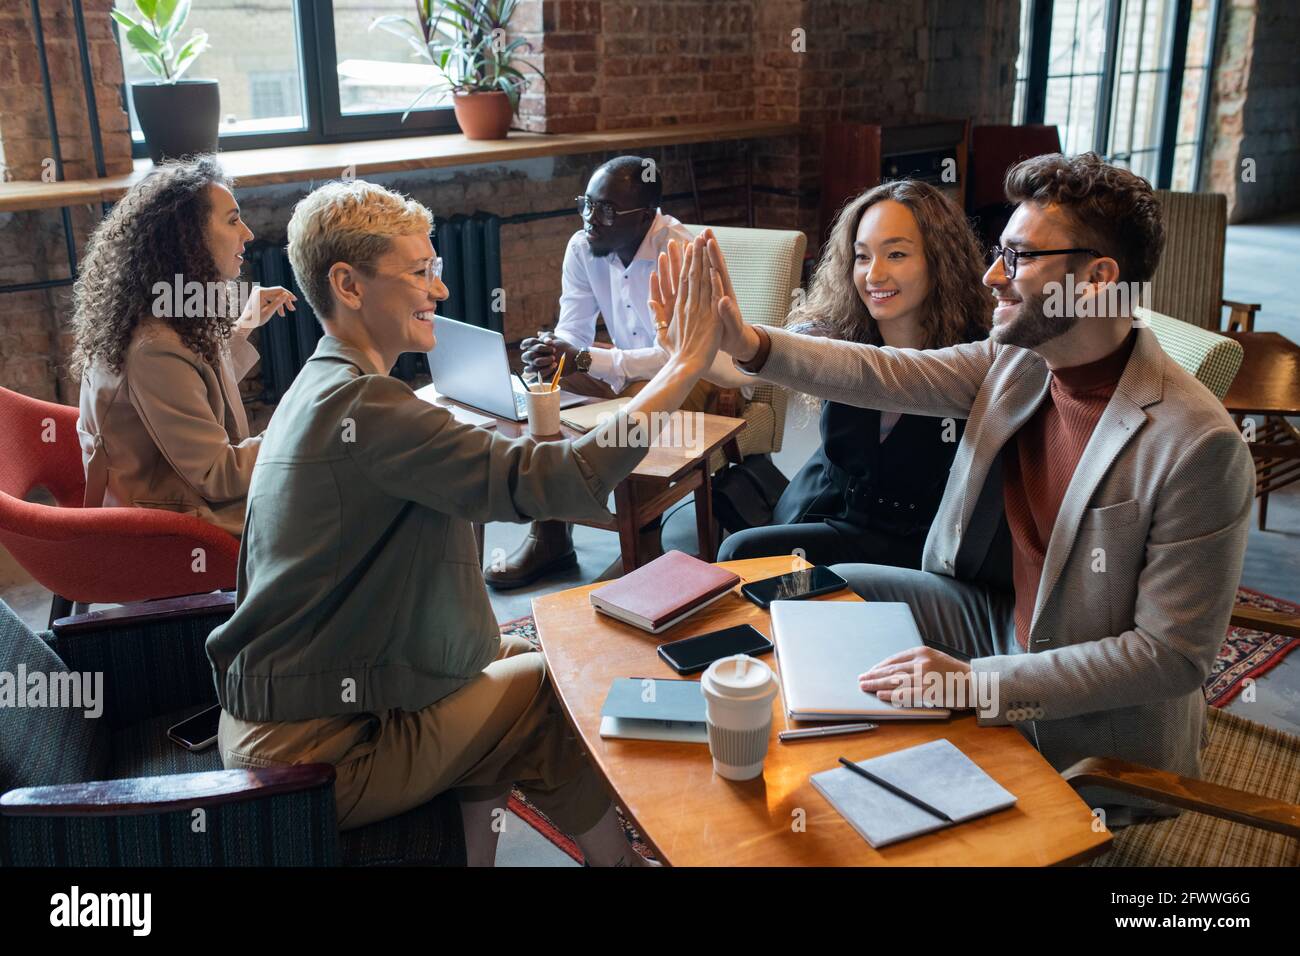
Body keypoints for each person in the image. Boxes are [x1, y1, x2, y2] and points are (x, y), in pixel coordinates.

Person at [665, 153, 1255, 826]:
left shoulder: (1199, 444)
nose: (991, 275)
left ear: (1097, 280)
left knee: (889, 809)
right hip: (990, 619)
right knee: (800, 597)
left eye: (1020, 257)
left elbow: (1168, 657)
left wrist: (973, 684)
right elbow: (884, 374)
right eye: (999, 252)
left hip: (1089, 716)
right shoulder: (1021, 359)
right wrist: (749, 342)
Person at [206, 179, 722, 866]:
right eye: (419, 273)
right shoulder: (370, 408)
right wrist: (684, 364)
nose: (439, 292)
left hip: (294, 715)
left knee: (518, 667)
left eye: (435, 270)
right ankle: (621, 862)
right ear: (348, 284)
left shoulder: (319, 383)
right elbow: (555, 481)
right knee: (540, 689)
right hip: (310, 759)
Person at [489, 155, 750, 588]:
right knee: (546, 386)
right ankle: (550, 534)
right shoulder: (582, 246)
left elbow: (683, 356)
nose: (591, 219)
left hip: (699, 373)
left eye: (607, 210)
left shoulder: (681, 252)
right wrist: (553, 353)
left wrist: (590, 358)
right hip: (629, 365)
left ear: (647, 216)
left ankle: (642, 545)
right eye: (587, 204)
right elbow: (572, 330)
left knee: (645, 398)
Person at [717, 180, 992, 571]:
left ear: (940, 260)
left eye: (896, 254)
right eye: (862, 257)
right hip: (827, 513)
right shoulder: (833, 331)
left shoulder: (976, 358)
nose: (874, 274)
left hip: (919, 540)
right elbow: (741, 366)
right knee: (739, 557)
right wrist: (706, 346)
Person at [72, 156, 296, 536]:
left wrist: (242, 326)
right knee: (336, 502)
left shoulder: (159, 311)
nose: (248, 233)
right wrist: (301, 429)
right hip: (174, 520)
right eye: (232, 220)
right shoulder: (154, 348)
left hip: (176, 491)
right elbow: (218, 475)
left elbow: (192, 386)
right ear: (188, 238)